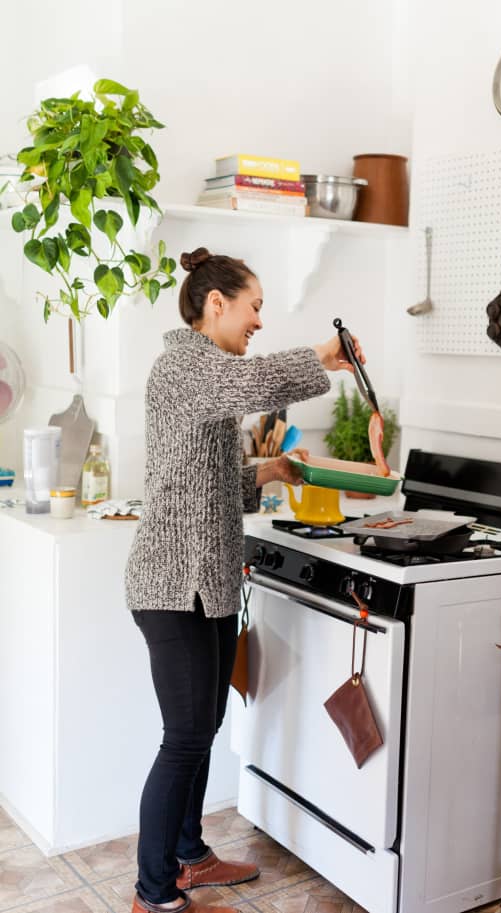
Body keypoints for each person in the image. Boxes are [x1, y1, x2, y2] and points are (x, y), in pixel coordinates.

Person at [125, 247, 364, 913]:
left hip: (208, 584)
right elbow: (253, 383)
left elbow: (217, 482)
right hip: (170, 586)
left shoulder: (206, 374)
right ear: (216, 303)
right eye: (254, 305)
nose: (259, 318)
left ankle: (190, 854)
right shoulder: (184, 366)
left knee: (204, 724)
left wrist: (273, 472)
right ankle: (152, 889)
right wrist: (322, 353)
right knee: (184, 736)